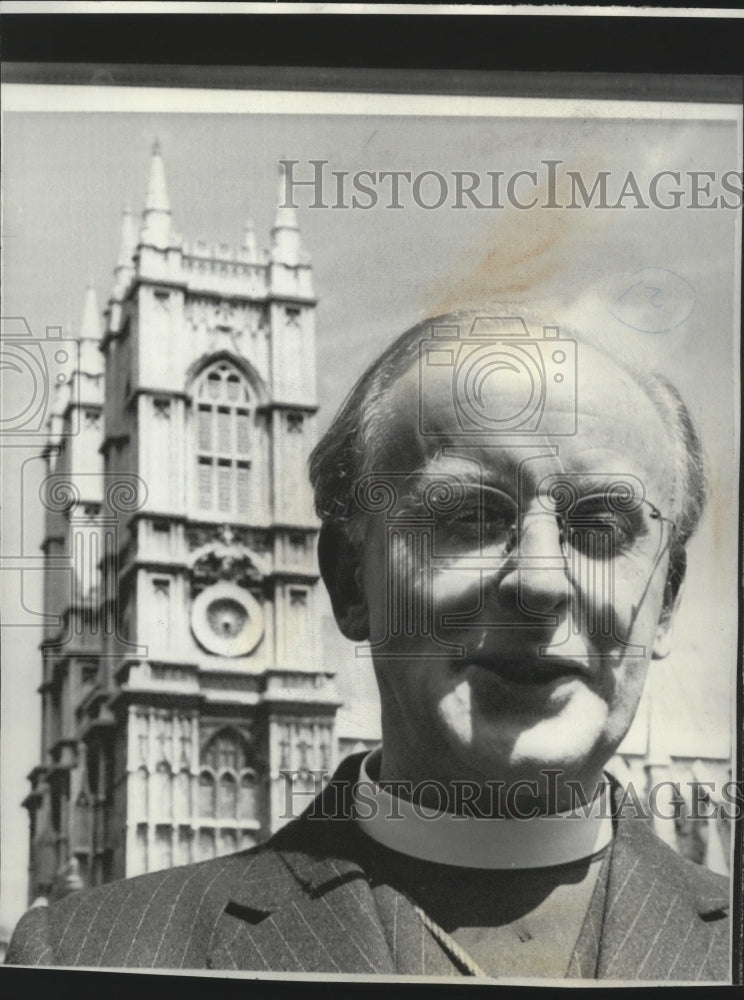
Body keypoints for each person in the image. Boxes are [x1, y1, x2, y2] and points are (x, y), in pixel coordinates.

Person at [6, 309, 729, 980]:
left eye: (602, 528)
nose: (540, 583)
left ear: (664, 602)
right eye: (468, 517)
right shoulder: (85, 956)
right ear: (351, 579)